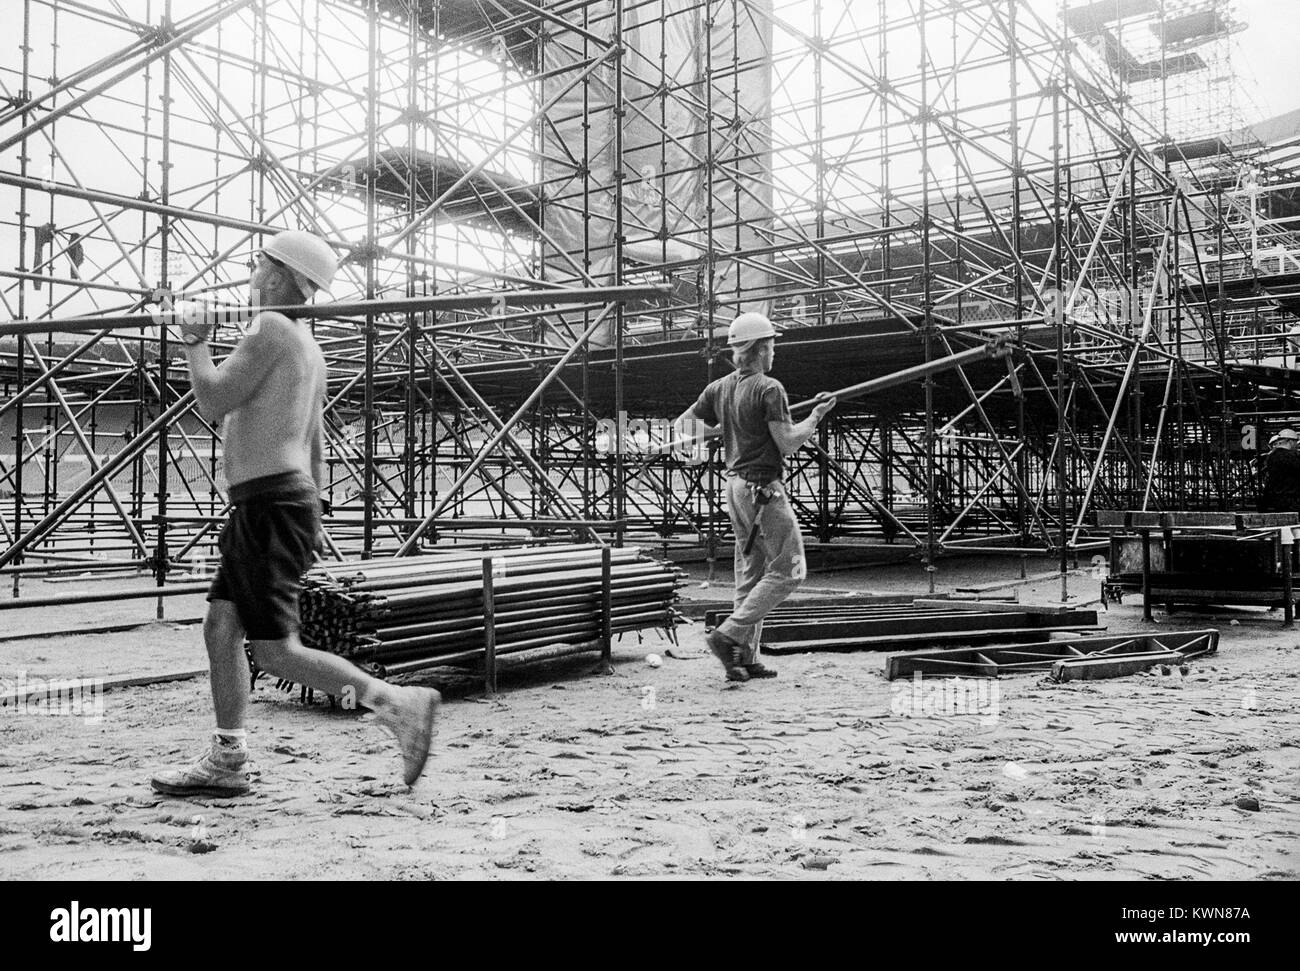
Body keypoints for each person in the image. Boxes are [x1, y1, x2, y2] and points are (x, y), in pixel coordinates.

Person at [151, 230, 440, 798]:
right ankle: (227, 757)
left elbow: (212, 399)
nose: (251, 276)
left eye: (259, 266)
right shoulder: (309, 348)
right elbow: (313, 443)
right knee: (222, 626)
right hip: (279, 500)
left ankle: (396, 702)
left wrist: (191, 339)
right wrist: (313, 510)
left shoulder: (269, 328)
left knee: (276, 650)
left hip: (269, 502)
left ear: (280, 277)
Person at [675, 312, 836, 682]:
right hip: (763, 490)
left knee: (751, 576)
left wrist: (725, 428)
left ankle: (744, 658)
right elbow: (788, 443)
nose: (775, 351)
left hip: (735, 489)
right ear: (761, 348)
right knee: (791, 569)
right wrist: (815, 417)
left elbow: (684, 427)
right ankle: (728, 634)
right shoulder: (769, 388)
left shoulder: (719, 388)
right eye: (772, 345)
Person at [1259, 427, 1300, 513]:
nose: (1297, 445)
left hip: (1276, 499)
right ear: (1290, 441)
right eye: (1296, 442)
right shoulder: (1292, 456)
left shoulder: (1271, 457)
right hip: (1292, 499)